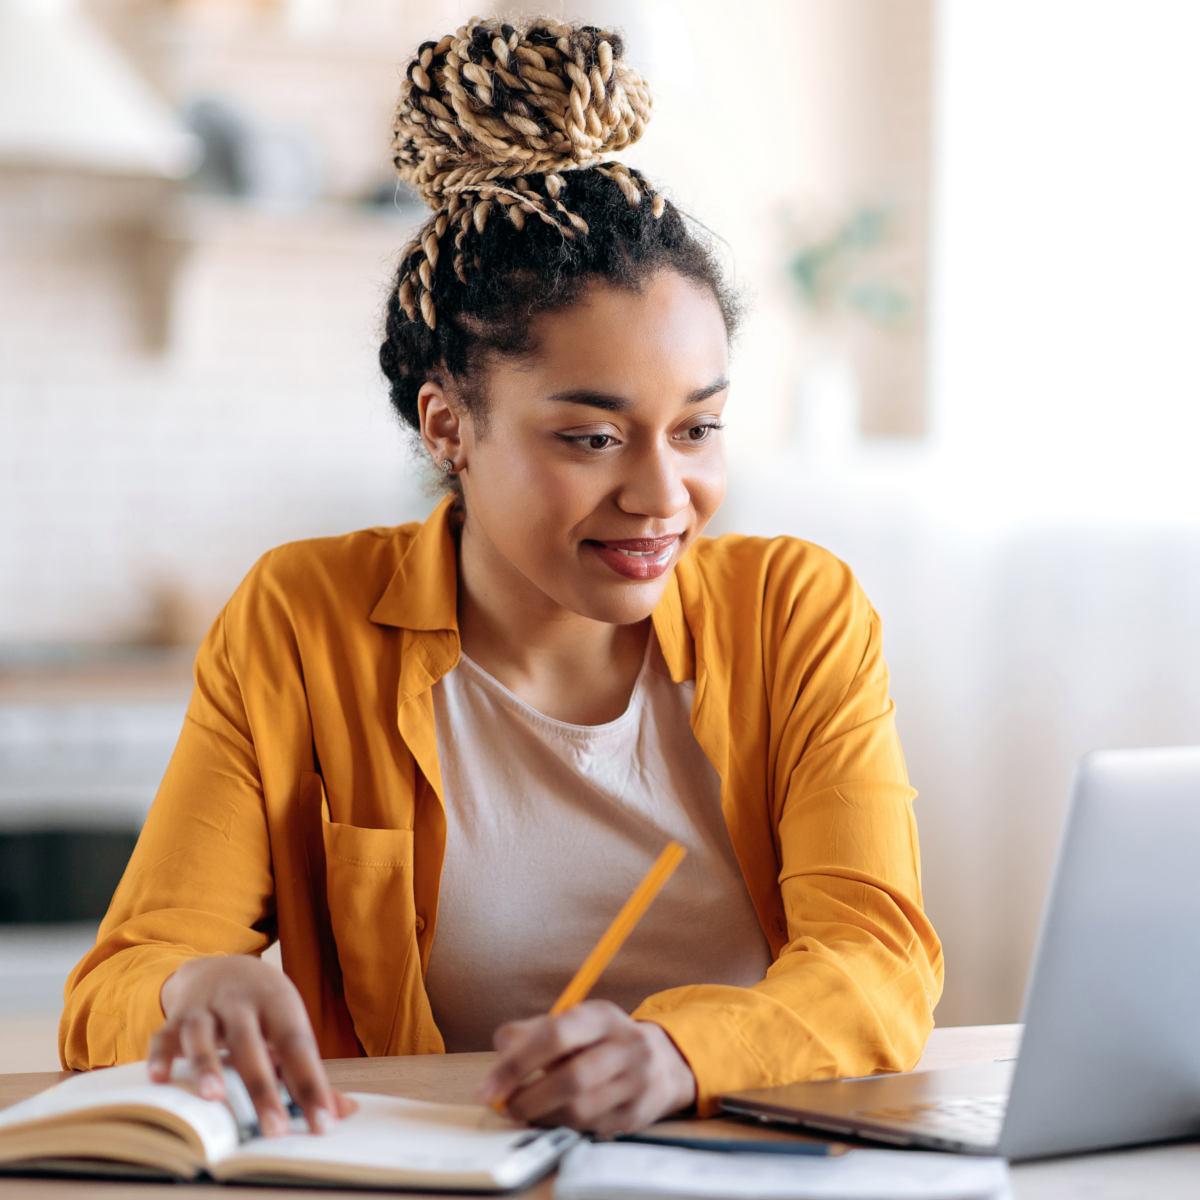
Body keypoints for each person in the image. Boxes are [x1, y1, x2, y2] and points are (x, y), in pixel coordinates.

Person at [62, 17, 943, 1141]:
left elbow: (882, 962)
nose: (662, 493)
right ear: (450, 427)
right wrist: (190, 989)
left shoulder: (796, 613)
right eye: (591, 438)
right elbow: (113, 988)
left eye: (699, 428)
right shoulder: (303, 619)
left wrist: (680, 1056)